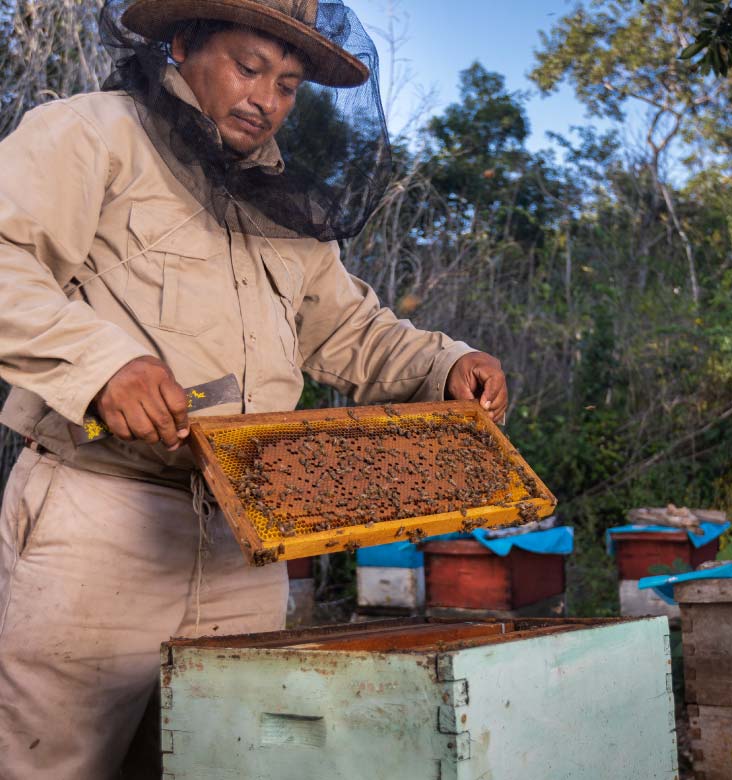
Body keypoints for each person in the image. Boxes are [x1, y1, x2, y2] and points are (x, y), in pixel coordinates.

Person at [0, 0, 508, 776]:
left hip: (247, 535)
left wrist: (447, 365)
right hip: (101, 516)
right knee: (55, 763)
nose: (265, 99)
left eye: (289, 85)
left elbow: (349, 330)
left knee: (223, 759)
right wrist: (100, 365)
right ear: (183, 44)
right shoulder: (93, 134)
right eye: (249, 68)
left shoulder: (282, 201)